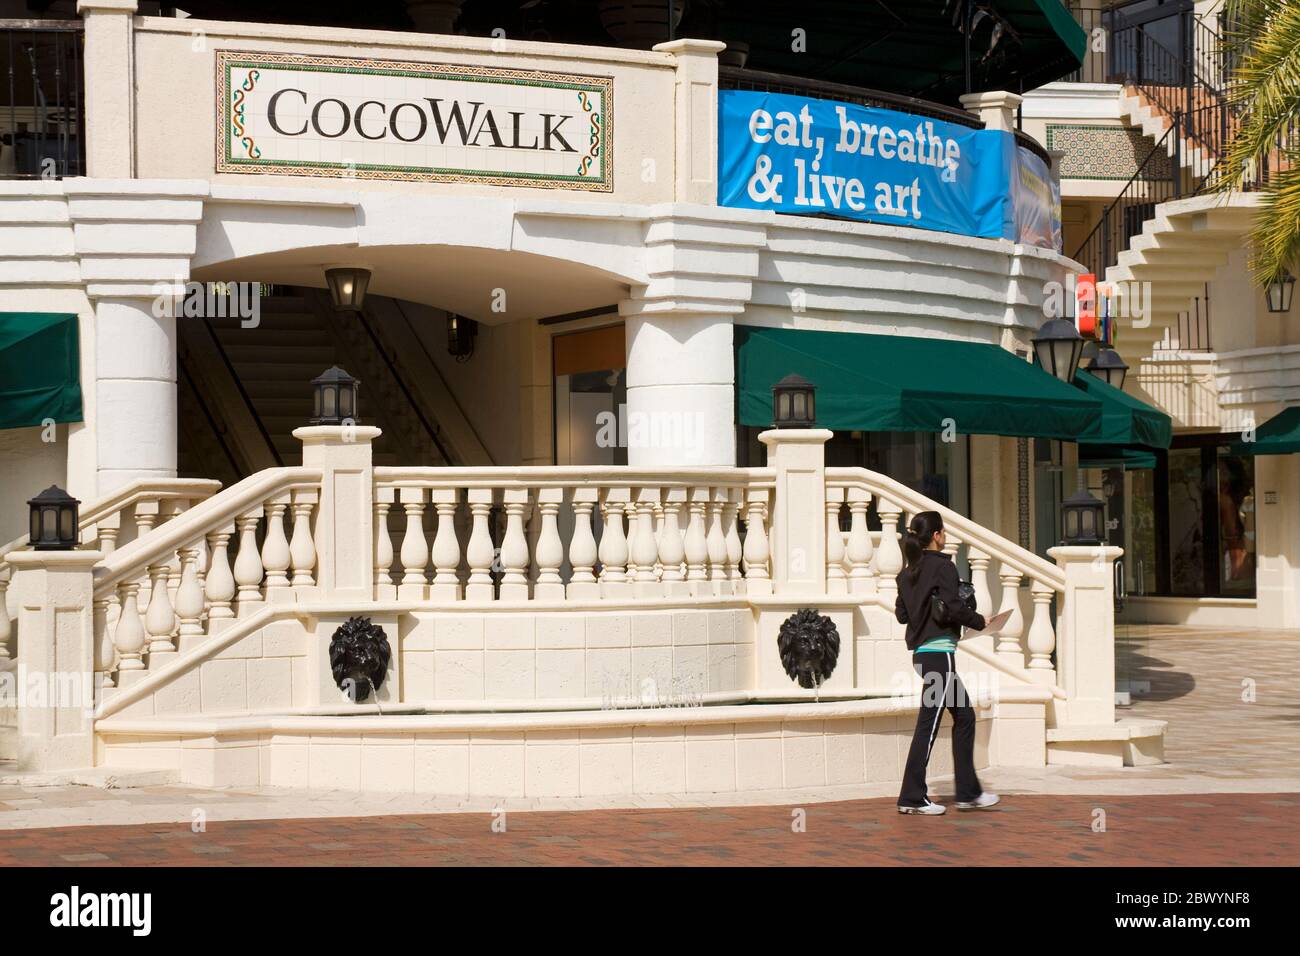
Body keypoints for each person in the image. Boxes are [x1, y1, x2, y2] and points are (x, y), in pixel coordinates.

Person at [893, 510, 1000, 816]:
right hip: (939, 656)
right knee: (928, 725)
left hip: (923, 656)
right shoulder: (943, 566)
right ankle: (912, 797)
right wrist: (982, 620)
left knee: (964, 716)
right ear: (937, 535)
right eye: (944, 532)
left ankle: (968, 794)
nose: (945, 536)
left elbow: (903, 615)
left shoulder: (907, 572)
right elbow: (953, 607)